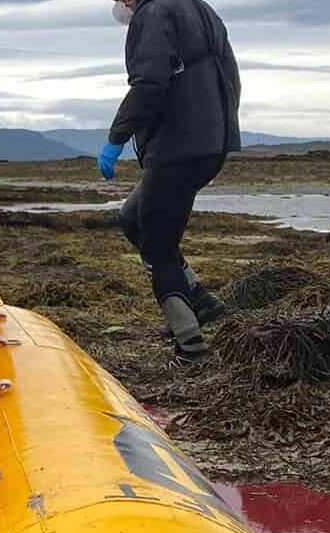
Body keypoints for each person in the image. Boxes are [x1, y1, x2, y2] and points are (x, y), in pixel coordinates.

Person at [98, 0, 241, 361]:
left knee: (159, 249)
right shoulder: (201, 9)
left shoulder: (154, 14)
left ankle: (189, 341)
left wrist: (116, 139)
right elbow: (232, 77)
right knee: (133, 218)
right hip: (211, 143)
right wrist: (219, 134)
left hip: (177, 148)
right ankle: (201, 299)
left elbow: (149, 84)